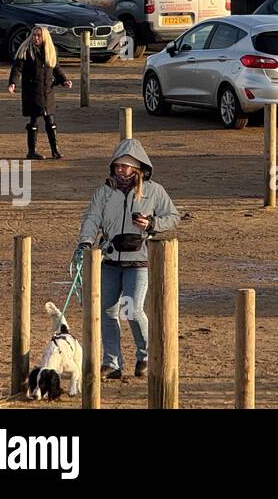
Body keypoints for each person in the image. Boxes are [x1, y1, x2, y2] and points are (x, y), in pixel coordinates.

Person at [74, 139, 180, 381]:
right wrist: (85, 242)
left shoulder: (154, 191)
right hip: (110, 259)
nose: (120, 170)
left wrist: (152, 223)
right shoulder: (104, 192)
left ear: (137, 168)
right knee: (106, 310)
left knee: (131, 310)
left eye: (126, 166)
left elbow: (173, 217)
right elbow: (91, 219)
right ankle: (111, 362)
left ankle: (146, 355)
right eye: (117, 166)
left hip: (139, 261)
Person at [7, 25, 70, 160]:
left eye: (38, 35)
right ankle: (31, 151)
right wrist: (13, 83)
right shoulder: (25, 51)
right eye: (34, 35)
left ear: (44, 37)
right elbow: (17, 69)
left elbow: (55, 68)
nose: (36, 38)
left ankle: (55, 150)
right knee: (33, 120)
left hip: (47, 90)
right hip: (32, 91)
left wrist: (64, 80)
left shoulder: (50, 51)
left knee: (50, 120)